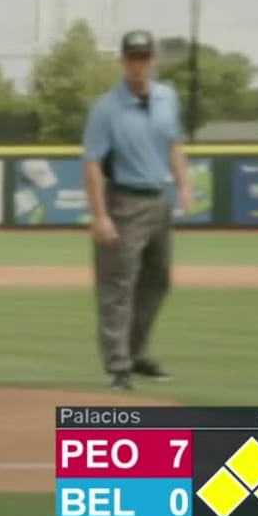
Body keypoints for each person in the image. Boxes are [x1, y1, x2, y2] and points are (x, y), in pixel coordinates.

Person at [81, 29, 194, 390]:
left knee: (158, 280)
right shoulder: (106, 108)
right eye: (132, 57)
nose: (138, 64)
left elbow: (173, 144)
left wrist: (185, 185)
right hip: (124, 200)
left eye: (144, 57)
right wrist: (100, 216)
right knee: (117, 286)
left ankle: (137, 351)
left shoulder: (167, 98)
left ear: (154, 60)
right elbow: (92, 164)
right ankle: (118, 366)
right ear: (122, 61)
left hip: (158, 198)